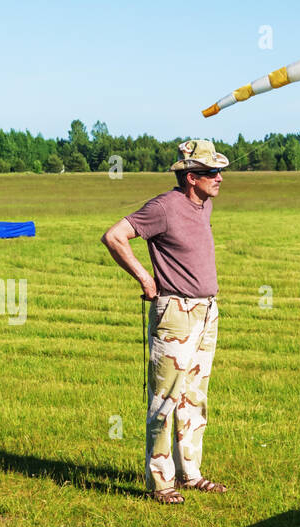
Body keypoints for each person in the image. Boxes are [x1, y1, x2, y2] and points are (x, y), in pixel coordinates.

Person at [101, 139, 229, 504]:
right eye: (211, 172)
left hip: (207, 311)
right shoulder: (164, 208)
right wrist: (145, 278)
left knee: (194, 396)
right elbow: (114, 236)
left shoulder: (202, 205)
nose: (219, 178)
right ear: (191, 177)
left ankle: (190, 474)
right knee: (165, 399)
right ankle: (161, 483)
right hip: (176, 313)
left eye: (219, 171)